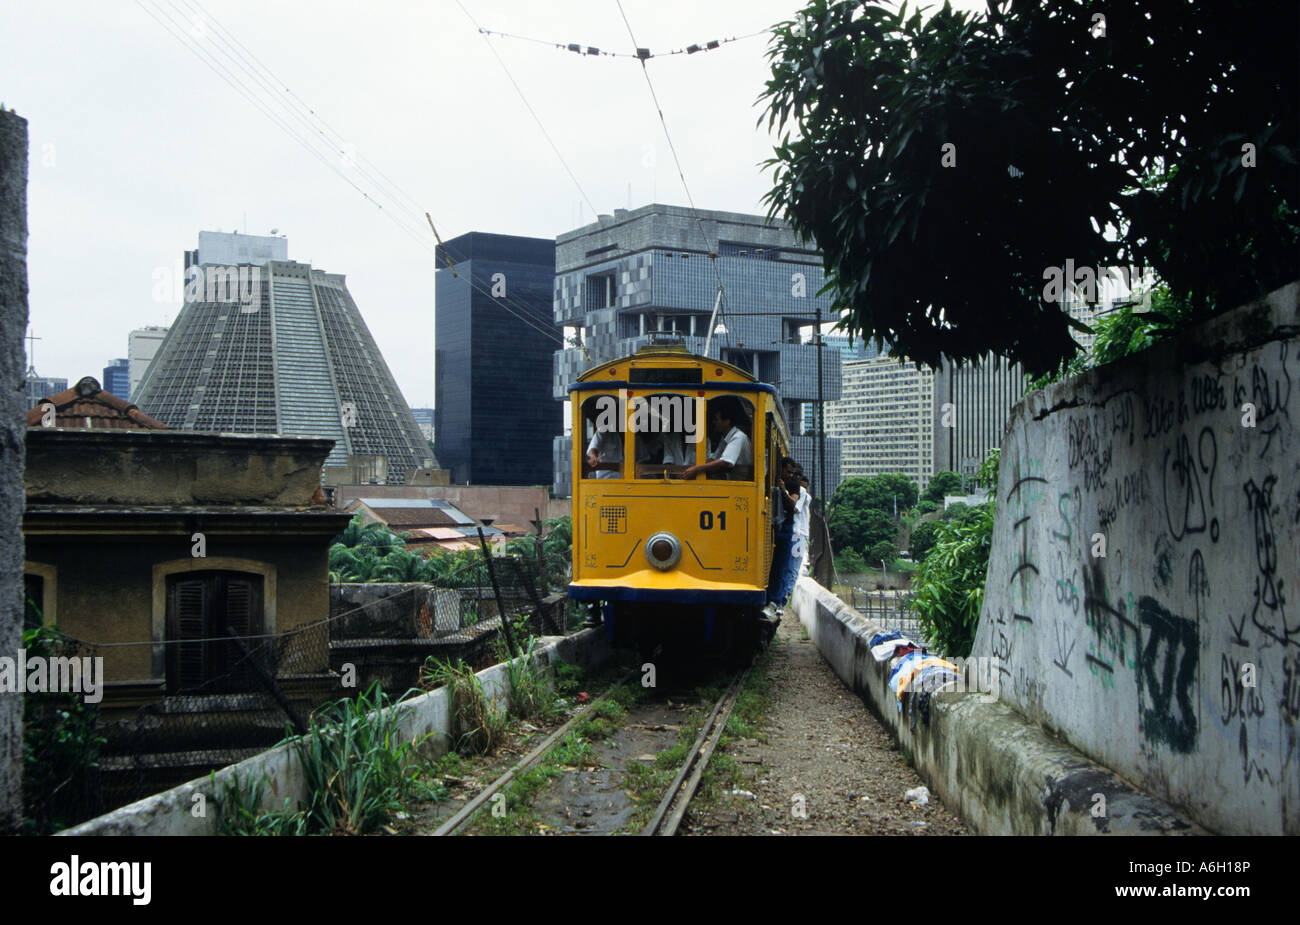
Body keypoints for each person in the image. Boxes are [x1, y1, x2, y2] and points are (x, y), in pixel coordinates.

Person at [682, 397, 751, 480]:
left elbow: (724, 462)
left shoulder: (739, 437)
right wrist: (693, 468)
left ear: (727, 421)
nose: (714, 422)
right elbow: (713, 459)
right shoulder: (725, 438)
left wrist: (697, 469)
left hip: (743, 484)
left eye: (716, 419)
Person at [767, 457, 799, 612]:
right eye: (788, 472)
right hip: (771, 525)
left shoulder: (793, 484)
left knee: (782, 566)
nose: (790, 475)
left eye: (792, 473)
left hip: (785, 528)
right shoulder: (769, 477)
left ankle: (776, 600)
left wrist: (783, 490)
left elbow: (793, 503)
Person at [792, 472, 812, 579]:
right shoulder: (804, 494)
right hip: (800, 534)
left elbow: (796, 509)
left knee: (793, 565)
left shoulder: (802, 493)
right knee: (795, 565)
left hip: (798, 532)